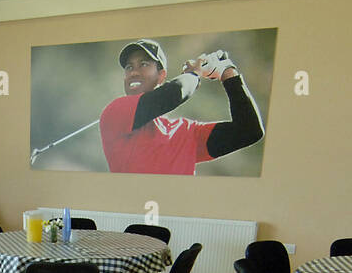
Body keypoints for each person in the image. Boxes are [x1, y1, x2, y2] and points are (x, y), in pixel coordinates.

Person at [99, 38, 264, 175]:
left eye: (143, 64)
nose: (134, 72)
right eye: (129, 67)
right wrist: (194, 74)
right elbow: (175, 92)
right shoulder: (115, 111)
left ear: (161, 76)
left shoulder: (186, 132)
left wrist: (228, 73)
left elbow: (249, 131)